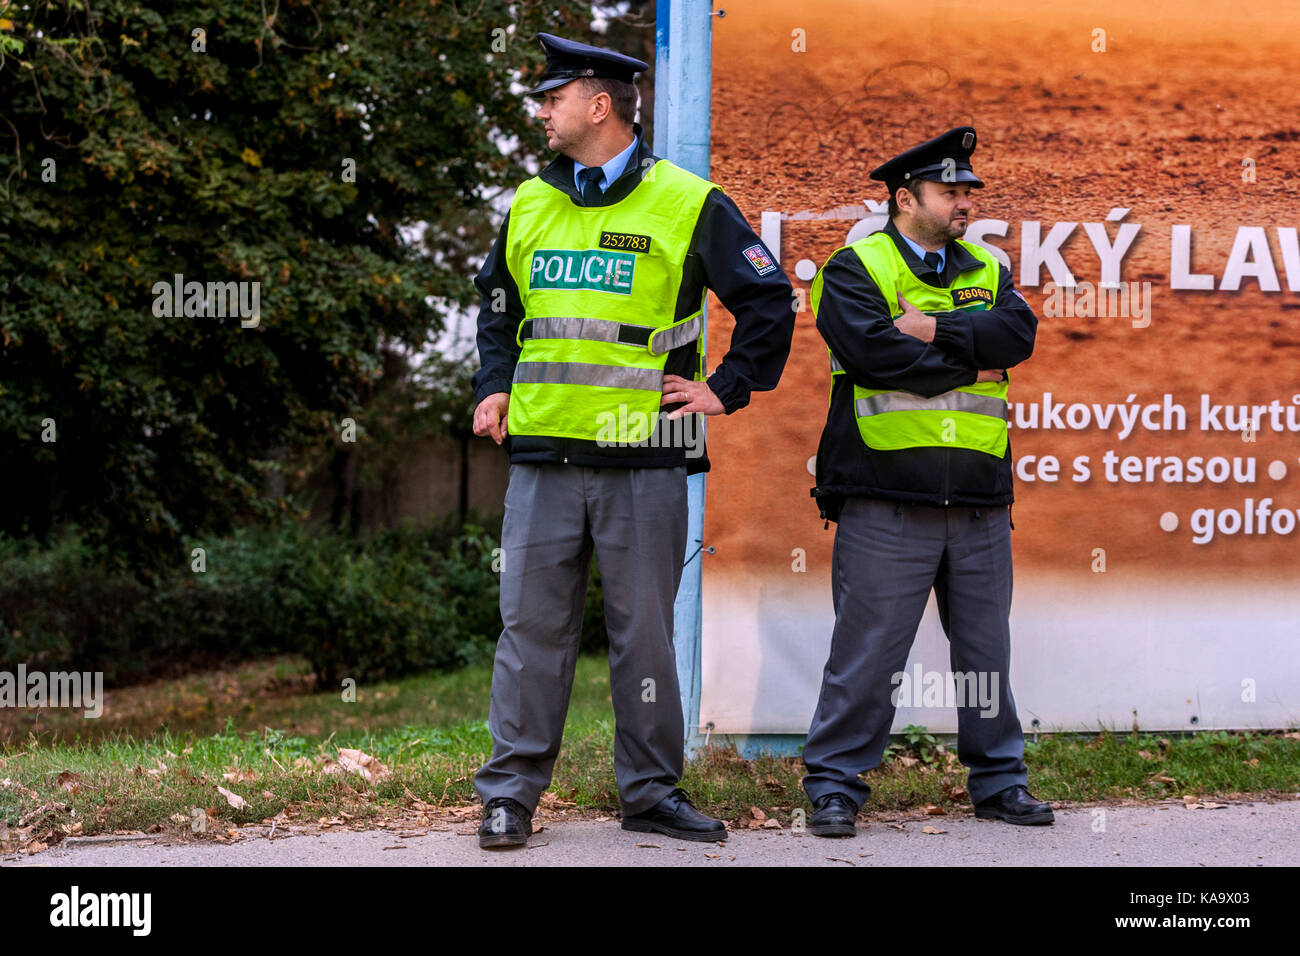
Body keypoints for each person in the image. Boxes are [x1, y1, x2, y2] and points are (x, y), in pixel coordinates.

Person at [470, 33, 795, 848]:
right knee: (529, 633)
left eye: (553, 98)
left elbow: (769, 301)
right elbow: (498, 310)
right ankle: (510, 795)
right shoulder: (529, 205)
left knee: (642, 636)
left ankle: (650, 793)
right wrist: (496, 384)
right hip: (543, 461)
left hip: (644, 463)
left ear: (599, 103)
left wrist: (724, 390)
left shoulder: (690, 202)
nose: (543, 111)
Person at [801, 126, 1051, 837]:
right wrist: (972, 355)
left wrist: (932, 332)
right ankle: (834, 786)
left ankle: (1000, 783)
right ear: (905, 198)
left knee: (984, 655)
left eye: (969, 190)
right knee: (867, 652)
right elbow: (874, 357)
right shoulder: (855, 267)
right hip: (887, 494)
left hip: (977, 499)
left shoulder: (990, 269)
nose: (965, 201)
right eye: (951, 191)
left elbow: (1018, 341)